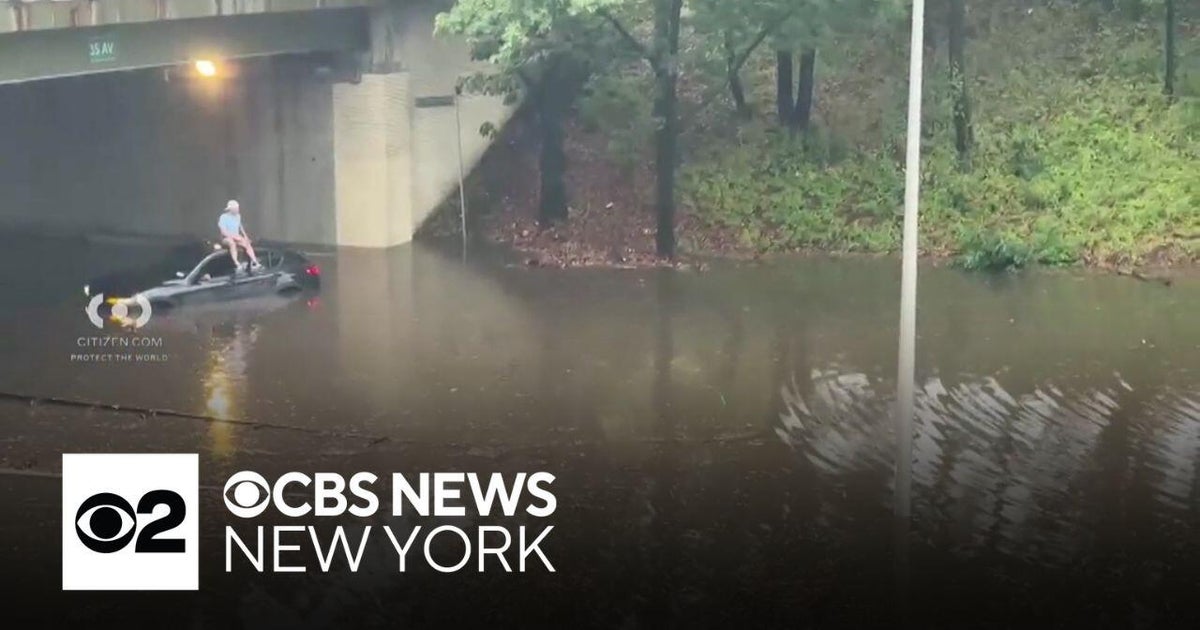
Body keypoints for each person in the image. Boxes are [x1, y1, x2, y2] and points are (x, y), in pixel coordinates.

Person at [217, 200, 261, 273]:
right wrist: (234, 237)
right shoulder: (223, 217)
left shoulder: (238, 216)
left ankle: (254, 261)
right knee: (232, 243)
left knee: (246, 243)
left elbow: (240, 227)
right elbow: (223, 232)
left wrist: (245, 236)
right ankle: (236, 262)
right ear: (231, 209)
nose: (238, 210)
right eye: (236, 208)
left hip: (236, 237)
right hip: (226, 238)